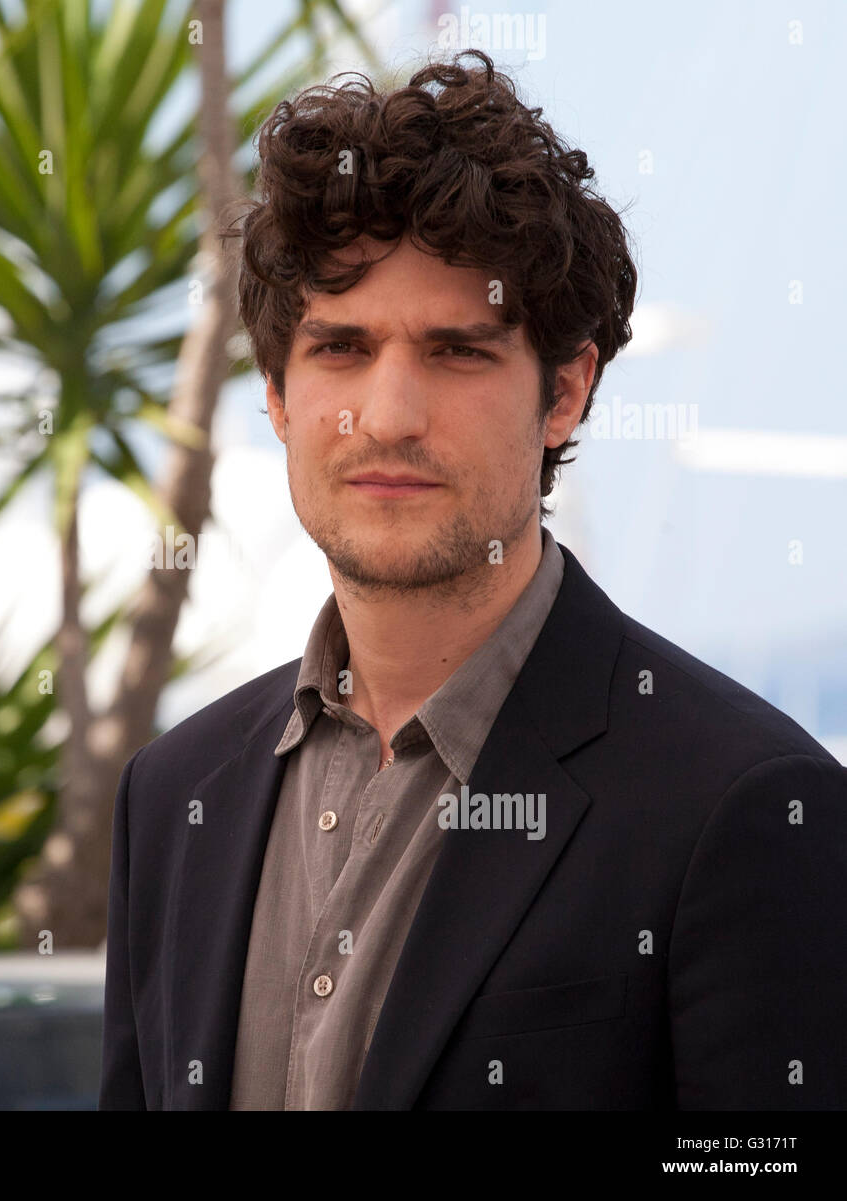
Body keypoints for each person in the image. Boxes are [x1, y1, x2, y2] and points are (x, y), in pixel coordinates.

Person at [99, 50, 847, 1110]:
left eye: (456, 351)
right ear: (275, 392)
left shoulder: (744, 807)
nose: (390, 413)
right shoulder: (176, 794)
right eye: (341, 348)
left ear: (564, 392)